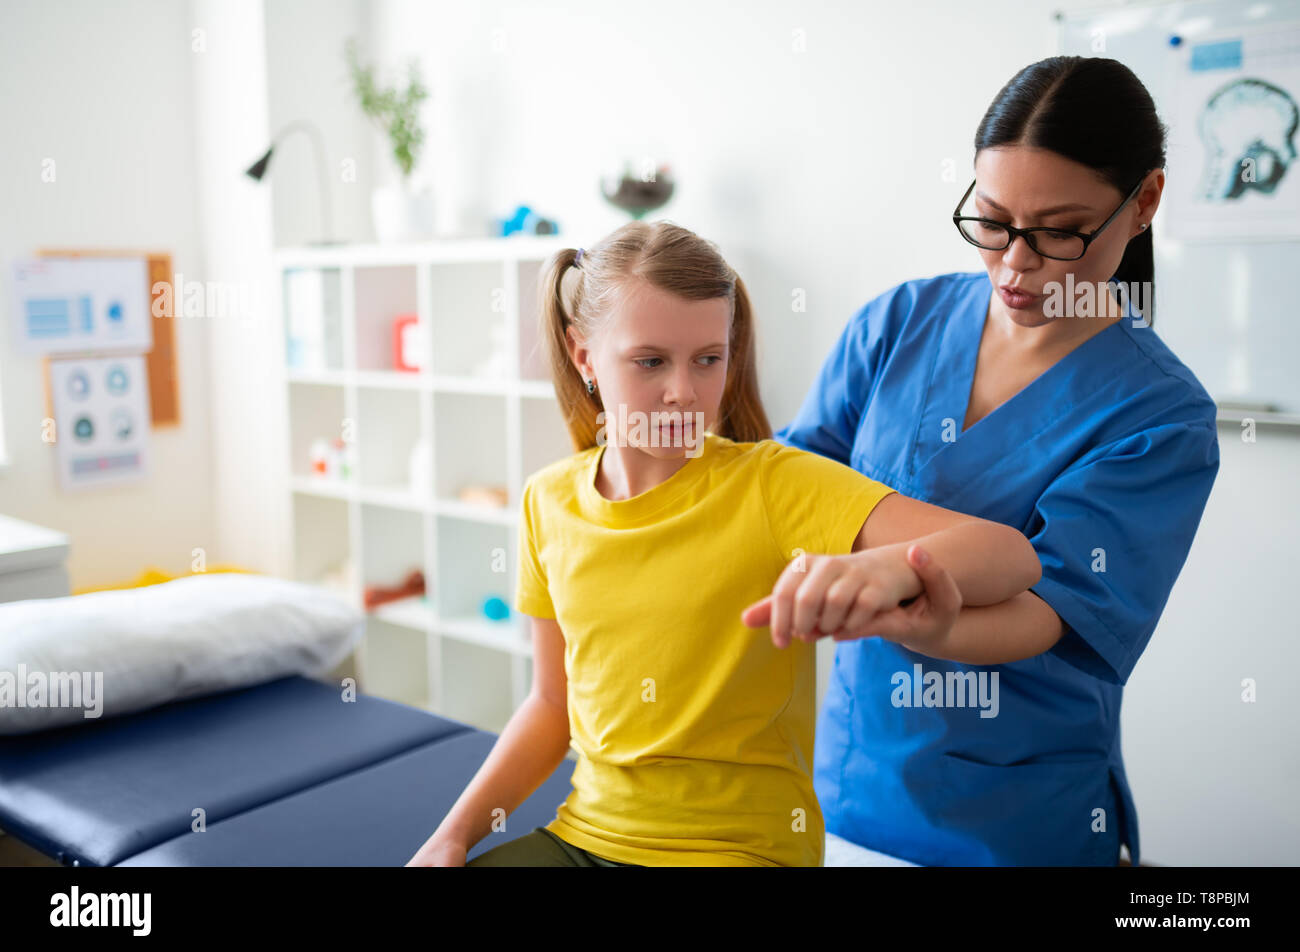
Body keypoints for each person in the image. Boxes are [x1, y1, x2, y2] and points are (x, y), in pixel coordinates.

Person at [405, 220, 1042, 866]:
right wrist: (453, 836)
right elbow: (549, 706)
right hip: (586, 838)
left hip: (739, 850)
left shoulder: (772, 484)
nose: (683, 390)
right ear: (583, 356)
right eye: (650, 361)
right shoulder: (548, 502)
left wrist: (887, 570)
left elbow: (1011, 558)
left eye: (708, 359)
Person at [772, 56, 1221, 866]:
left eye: (1059, 232)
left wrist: (933, 620)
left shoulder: (1159, 415)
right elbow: (789, 492)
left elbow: (1057, 613)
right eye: (992, 219)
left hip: (1014, 820)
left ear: (1144, 203)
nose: (1015, 263)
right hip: (844, 789)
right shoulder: (896, 323)